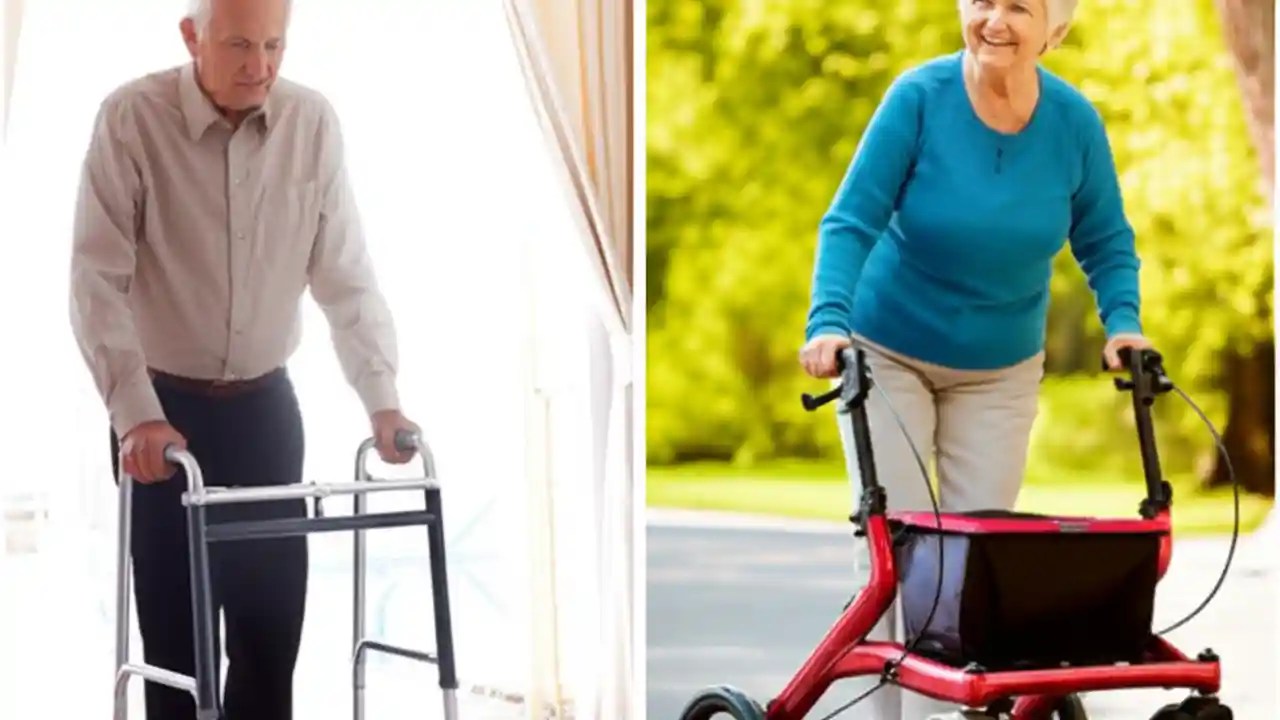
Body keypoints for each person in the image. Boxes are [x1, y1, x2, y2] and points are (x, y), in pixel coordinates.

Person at [799, 0, 1152, 717]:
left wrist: (1124, 324)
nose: (995, 20)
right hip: (887, 352)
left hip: (999, 371)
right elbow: (851, 220)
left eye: (1019, 7)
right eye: (981, 1)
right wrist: (828, 321)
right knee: (900, 553)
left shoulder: (1074, 124)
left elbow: (1107, 239)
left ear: (1054, 30)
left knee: (974, 562)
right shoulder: (918, 99)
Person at [67, 0, 419, 717]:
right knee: (177, 646)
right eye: (238, 46)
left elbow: (346, 276)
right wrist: (134, 415)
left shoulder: (311, 123)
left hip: (264, 413)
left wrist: (383, 401)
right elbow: (96, 282)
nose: (259, 66)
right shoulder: (132, 119)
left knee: (269, 638)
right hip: (163, 423)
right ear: (191, 36)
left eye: (273, 46)